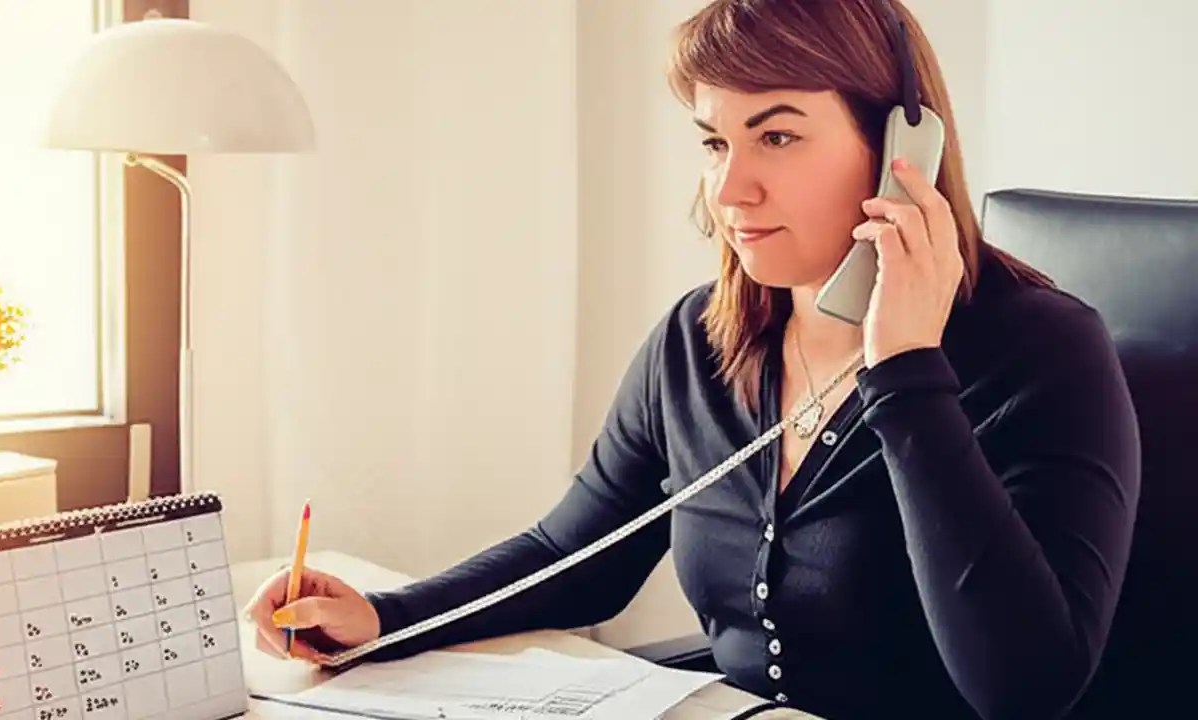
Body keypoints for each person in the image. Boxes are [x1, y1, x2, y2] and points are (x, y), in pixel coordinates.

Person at [245, 1, 1141, 718]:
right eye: (716, 141)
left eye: (777, 136)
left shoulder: (1043, 352)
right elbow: (577, 551)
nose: (729, 187)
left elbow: (1025, 688)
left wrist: (905, 371)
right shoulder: (699, 340)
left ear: (901, 150)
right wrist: (386, 619)